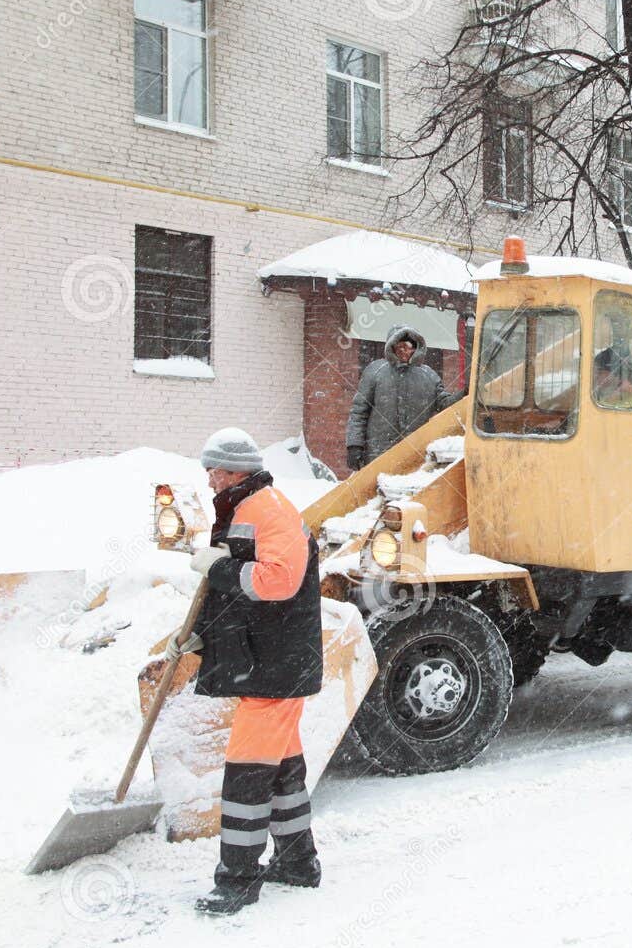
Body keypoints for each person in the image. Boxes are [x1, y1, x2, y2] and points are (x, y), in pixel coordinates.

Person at [169, 428, 324, 915]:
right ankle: (298, 863)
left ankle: (236, 880)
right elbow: (236, 595)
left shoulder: (268, 510)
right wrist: (201, 635)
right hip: (268, 662)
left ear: (235, 470)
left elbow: (277, 583)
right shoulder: (242, 508)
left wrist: (216, 568)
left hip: (276, 666)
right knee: (281, 770)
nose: (209, 479)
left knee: (247, 775)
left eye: (213, 470)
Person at [345, 326, 457, 471]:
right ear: (392, 347)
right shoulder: (375, 372)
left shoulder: (428, 375)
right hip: (378, 454)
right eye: (400, 346)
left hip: (415, 455)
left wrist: (467, 392)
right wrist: (355, 445)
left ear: (416, 348)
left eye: (409, 347)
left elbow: (445, 404)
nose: (405, 351)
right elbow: (359, 412)